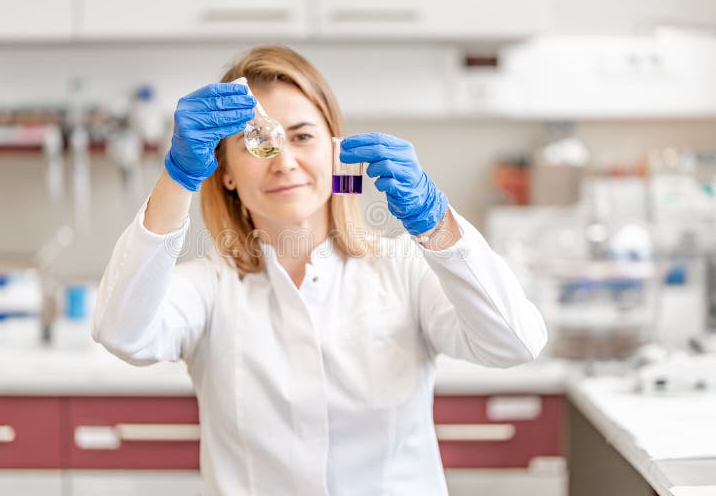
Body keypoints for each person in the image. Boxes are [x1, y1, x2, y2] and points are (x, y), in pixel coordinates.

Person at [92, 45, 547, 496]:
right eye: (258, 141)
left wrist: (437, 222)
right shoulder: (210, 285)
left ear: (334, 152)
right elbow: (122, 332)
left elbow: (514, 341)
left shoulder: (401, 270)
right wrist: (177, 178)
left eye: (303, 136)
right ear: (224, 170)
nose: (284, 160)